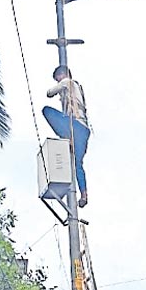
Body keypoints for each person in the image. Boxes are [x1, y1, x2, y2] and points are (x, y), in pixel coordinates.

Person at [42, 65, 91, 207]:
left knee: (47, 111)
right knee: (78, 164)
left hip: (74, 126)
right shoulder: (77, 88)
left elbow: (49, 93)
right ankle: (84, 194)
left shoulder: (67, 82)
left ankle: (66, 136)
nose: (57, 80)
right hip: (83, 129)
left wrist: (60, 86)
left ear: (61, 75)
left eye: (57, 77)